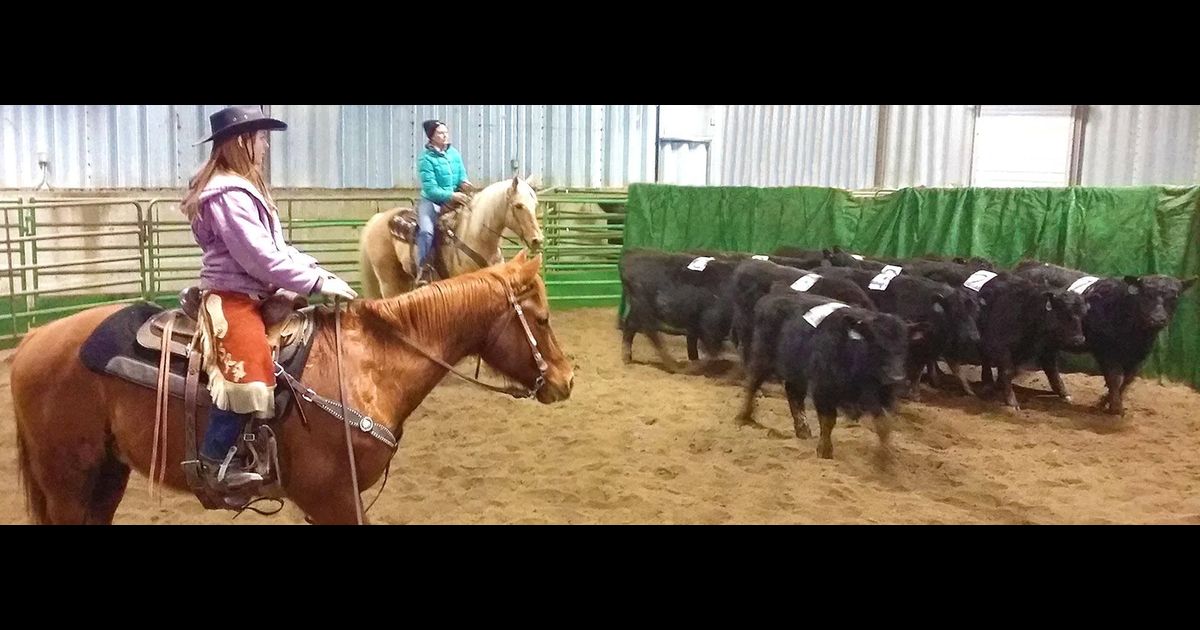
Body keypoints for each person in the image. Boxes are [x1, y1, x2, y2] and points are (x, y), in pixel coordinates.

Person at [180, 105, 358, 490]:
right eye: (260, 138)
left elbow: (278, 249)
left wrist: (318, 274)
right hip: (232, 296)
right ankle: (214, 461)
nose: (264, 146)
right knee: (250, 368)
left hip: (255, 291)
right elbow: (260, 257)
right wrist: (313, 282)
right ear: (242, 141)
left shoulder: (244, 189)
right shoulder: (227, 194)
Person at [415, 119, 473, 283]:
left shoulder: (454, 153)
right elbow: (431, 189)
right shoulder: (426, 159)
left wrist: (465, 184)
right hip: (432, 202)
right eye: (441, 132)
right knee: (427, 231)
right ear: (431, 136)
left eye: (446, 132)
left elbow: (461, 175)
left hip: (456, 198)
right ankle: (423, 268)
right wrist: (452, 196)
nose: (445, 135)